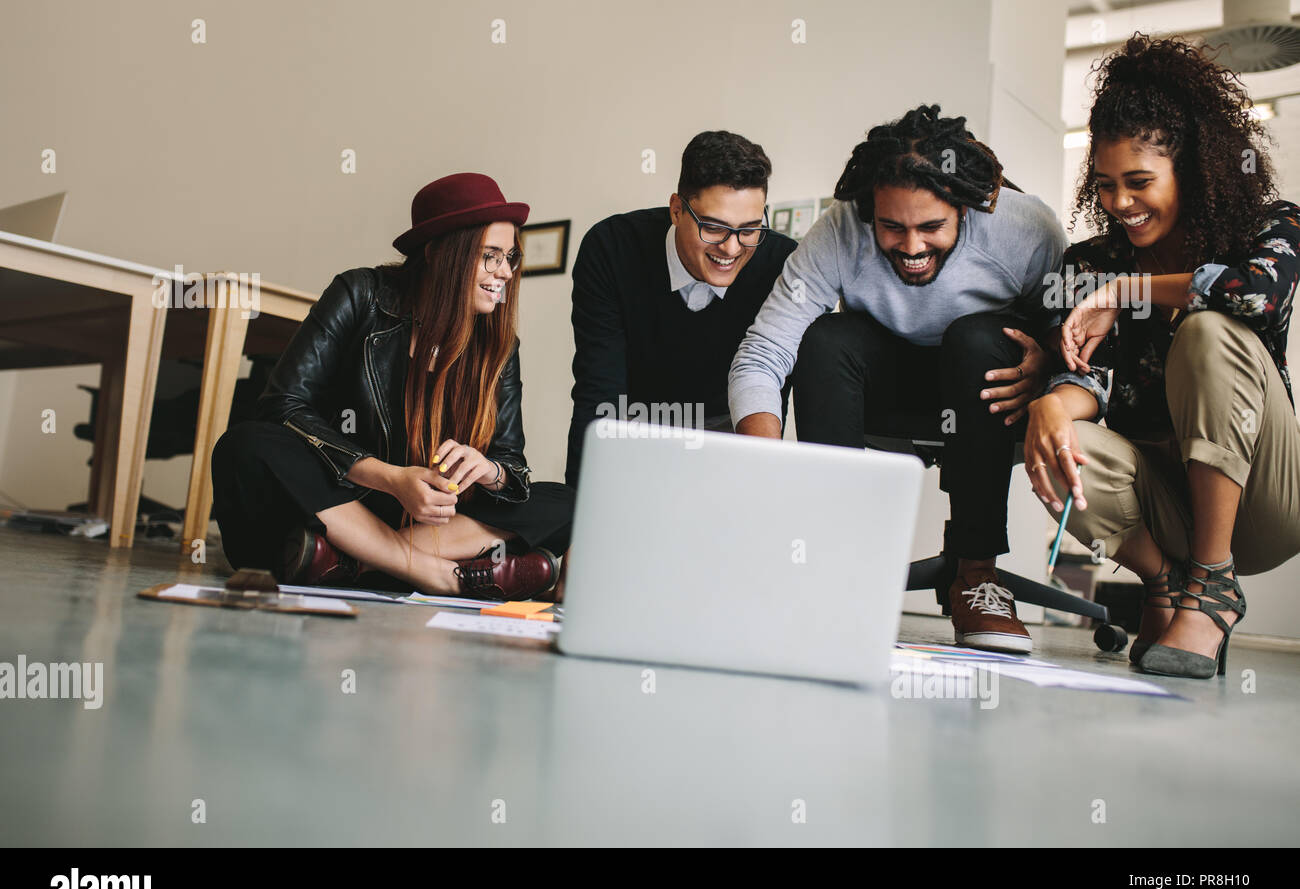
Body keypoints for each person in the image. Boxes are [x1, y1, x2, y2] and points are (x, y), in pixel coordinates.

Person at [729, 104, 1067, 655]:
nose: (911, 248)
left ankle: (977, 576)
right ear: (870, 214)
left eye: (931, 227)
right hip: (885, 392)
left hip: (989, 391)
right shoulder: (840, 229)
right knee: (826, 338)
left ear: (966, 207)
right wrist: (766, 471)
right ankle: (840, 571)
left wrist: (1045, 363)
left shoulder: (1024, 227)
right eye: (892, 228)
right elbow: (764, 352)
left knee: (976, 337)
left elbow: (1072, 333)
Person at [1025, 34, 1300, 679]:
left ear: (1193, 169)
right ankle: (1163, 582)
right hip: (1159, 507)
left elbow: (1253, 294)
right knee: (1064, 438)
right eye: (1106, 185)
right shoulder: (1089, 265)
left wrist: (1130, 292)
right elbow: (1084, 376)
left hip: (1264, 502)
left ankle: (1210, 587)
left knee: (1208, 330)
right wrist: (1051, 405)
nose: (1121, 203)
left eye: (1140, 182)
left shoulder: (1269, 226)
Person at [211, 173, 574, 600]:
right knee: (247, 443)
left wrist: (487, 470)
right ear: (440, 254)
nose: (505, 273)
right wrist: (390, 479)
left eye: (510, 257)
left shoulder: (499, 346)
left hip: (423, 522)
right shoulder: (360, 294)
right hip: (340, 501)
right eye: (490, 256)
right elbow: (285, 406)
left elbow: (512, 465)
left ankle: (353, 562)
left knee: (566, 502)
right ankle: (437, 574)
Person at [565, 130, 797, 486]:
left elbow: (772, 390)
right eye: (714, 227)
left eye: (749, 230)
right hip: (636, 424)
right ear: (676, 209)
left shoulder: (781, 263)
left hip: (732, 427)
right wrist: (578, 515)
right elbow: (598, 395)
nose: (732, 249)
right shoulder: (612, 248)